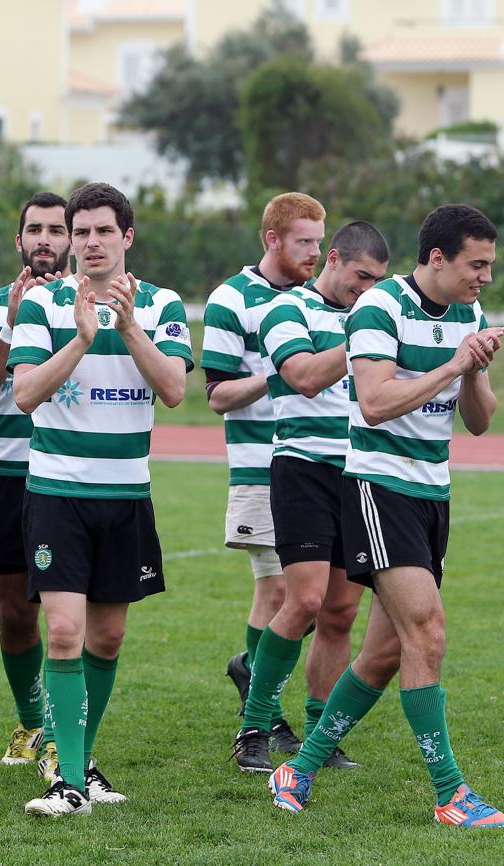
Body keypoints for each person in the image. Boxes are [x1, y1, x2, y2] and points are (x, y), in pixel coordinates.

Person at [268, 204, 504, 828]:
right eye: (476, 264)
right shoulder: (379, 309)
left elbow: (481, 422)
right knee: (428, 634)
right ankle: (450, 792)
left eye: (489, 265)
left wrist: (477, 369)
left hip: (433, 493)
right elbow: (374, 403)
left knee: (383, 654)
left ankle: (299, 768)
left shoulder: (469, 314)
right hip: (380, 488)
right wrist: (454, 364)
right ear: (437, 258)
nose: (485, 276)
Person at [9, 182, 193, 817]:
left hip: (126, 494)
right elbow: (26, 393)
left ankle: (81, 759)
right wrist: (82, 339)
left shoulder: (164, 304)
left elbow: (173, 390)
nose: (89, 243)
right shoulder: (43, 305)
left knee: (107, 638)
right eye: (80, 232)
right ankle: (64, 779)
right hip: (56, 492)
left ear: (127, 238)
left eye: (102, 232)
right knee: (64, 632)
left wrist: (129, 326)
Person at [232, 221, 389, 773]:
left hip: (361, 473)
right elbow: (302, 377)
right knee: (303, 601)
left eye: (378, 283)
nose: (367, 290)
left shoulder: (377, 314)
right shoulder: (287, 309)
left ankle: (321, 734)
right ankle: (254, 724)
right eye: (361, 277)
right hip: (302, 469)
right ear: (335, 260)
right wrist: (363, 338)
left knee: (342, 612)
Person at [202, 191, 325, 756]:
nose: (315, 254)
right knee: (277, 591)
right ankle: (264, 716)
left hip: (314, 463)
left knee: (310, 599)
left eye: (320, 243)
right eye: (304, 242)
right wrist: (278, 374)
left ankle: (252, 670)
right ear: (271, 239)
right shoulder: (232, 298)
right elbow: (217, 394)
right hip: (257, 460)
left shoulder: (319, 300)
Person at [0, 192, 71, 771]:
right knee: (14, 612)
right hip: (11, 474)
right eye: (36, 229)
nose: (46, 239)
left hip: (75, 474)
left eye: (57, 229)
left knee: (67, 613)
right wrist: (10, 323)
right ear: (19, 240)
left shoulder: (90, 302)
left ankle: (59, 733)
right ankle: (31, 723)